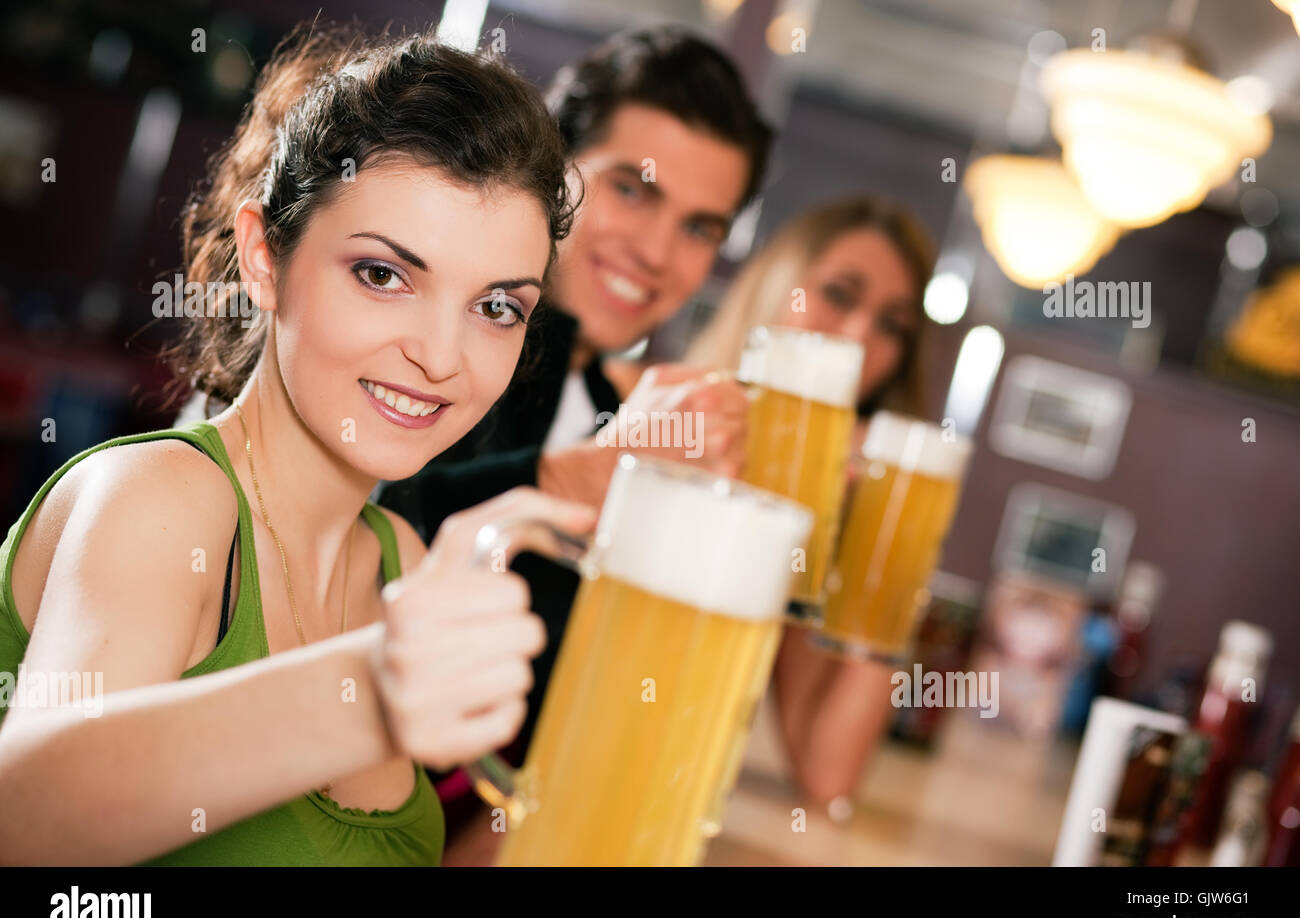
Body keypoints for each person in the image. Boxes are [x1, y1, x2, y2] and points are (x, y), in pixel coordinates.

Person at [0, 27, 592, 866]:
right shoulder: (162, 500)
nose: (441, 356)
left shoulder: (403, 563)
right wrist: (367, 690)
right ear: (264, 258)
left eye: (496, 307)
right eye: (384, 275)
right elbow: (22, 819)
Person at [374, 25, 776, 851]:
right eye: (633, 189)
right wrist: (587, 479)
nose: (658, 252)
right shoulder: (415, 325)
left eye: (702, 228)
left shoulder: (595, 394)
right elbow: (356, 542)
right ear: (553, 167)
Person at [686, 194, 936, 810]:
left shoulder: (832, 502)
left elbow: (827, 774)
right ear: (774, 285)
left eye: (891, 325)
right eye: (839, 295)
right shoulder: (646, 417)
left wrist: (889, 540)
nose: (856, 338)